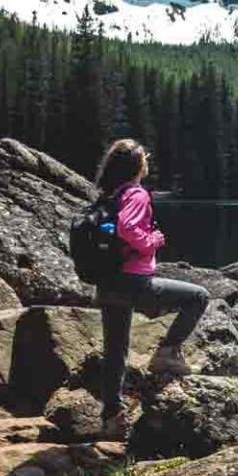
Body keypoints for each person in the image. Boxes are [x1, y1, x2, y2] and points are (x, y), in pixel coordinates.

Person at [92, 138, 209, 434]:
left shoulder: (109, 195)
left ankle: (111, 419)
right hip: (134, 281)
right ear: (136, 166)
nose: (147, 162)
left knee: (115, 351)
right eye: (144, 158)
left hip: (107, 281)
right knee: (198, 297)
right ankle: (167, 353)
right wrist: (153, 240)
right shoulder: (136, 194)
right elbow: (128, 229)